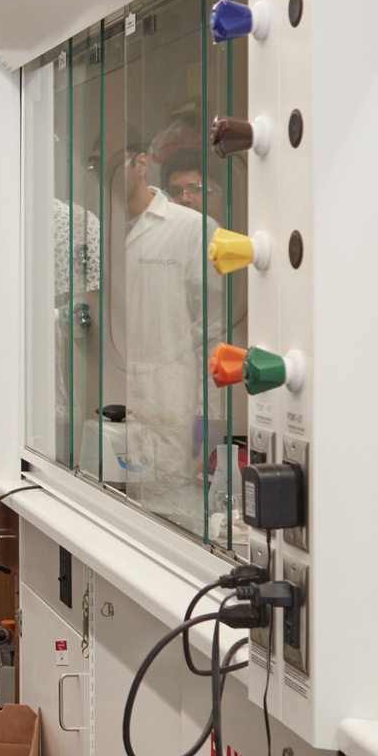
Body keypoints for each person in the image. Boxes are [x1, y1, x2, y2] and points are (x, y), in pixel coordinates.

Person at [118, 141, 220, 495]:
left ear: (140, 163)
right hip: (121, 399)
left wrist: (209, 411)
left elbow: (213, 326)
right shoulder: (104, 223)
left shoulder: (193, 227)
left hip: (171, 399)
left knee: (170, 512)